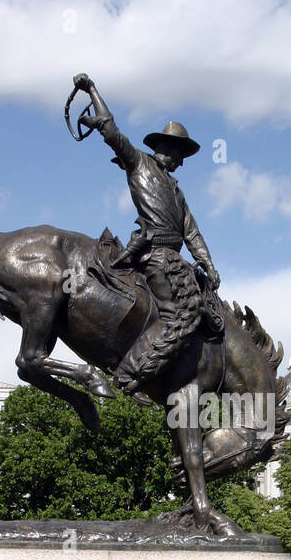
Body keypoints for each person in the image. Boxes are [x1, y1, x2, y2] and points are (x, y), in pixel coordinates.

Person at [70, 74, 221, 397]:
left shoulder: (176, 190)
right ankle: (129, 375)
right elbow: (110, 130)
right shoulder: (139, 163)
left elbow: (192, 232)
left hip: (175, 260)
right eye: (180, 154)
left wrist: (208, 263)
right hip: (156, 256)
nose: (181, 162)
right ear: (167, 148)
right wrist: (93, 89)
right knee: (175, 317)